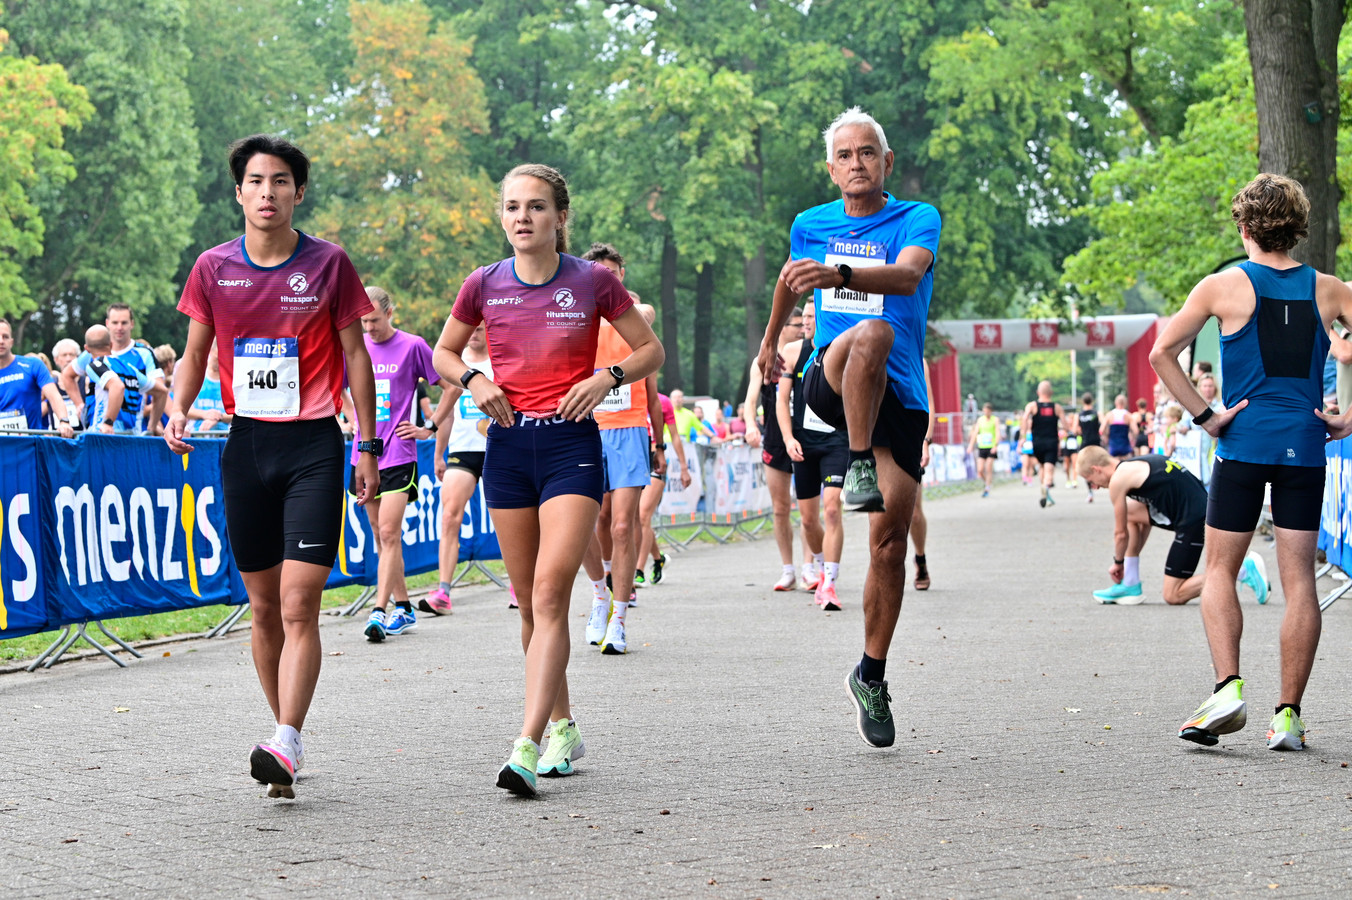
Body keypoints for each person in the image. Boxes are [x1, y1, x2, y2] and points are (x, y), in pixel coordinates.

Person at [432, 163, 662, 796]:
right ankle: (563, 725)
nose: (522, 217)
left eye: (535, 206)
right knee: (531, 605)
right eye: (512, 207)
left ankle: (525, 746)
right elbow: (443, 352)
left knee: (551, 591)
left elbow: (651, 351)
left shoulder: (591, 281)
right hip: (508, 446)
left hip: (570, 446)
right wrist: (475, 380)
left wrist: (607, 378)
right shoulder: (483, 283)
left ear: (560, 217)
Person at [164, 134, 379, 798]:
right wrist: (177, 407)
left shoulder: (329, 263)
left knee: (298, 602)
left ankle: (286, 736)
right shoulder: (213, 267)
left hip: (313, 444)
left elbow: (356, 356)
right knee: (261, 608)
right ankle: (284, 738)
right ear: (239, 193)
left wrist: (368, 443)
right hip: (246, 446)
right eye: (256, 181)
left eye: (280, 181)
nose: (267, 192)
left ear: (298, 192)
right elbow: (193, 354)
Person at [756, 107, 941, 749]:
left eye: (867, 153)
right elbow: (790, 282)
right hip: (831, 380)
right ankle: (858, 459)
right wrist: (768, 343)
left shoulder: (917, 217)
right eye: (845, 155)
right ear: (831, 168)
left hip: (901, 396)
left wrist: (838, 274)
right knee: (872, 333)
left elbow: (908, 276)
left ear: (886, 163)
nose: (856, 163)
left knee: (889, 544)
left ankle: (871, 674)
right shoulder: (811, 224)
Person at [1150, 172, 1352, 751]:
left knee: (1219, 570)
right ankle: (1288, 717)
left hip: (1241, 444)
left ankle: (1227, 690)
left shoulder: (1221, 287)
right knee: (1300, 582)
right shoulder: (1330, 289)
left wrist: (1206, 416)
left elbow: (1163, 353)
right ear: (1299, 227)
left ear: (1244, 227)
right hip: (1305, 447)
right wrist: (1349, 418)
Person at [576, 242, 663, 655]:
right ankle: (600, 594)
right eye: (595, 273)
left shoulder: (635, 315)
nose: (603, 279)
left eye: (609, 273)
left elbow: (646, 313)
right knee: (589, 521)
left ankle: (620, 620)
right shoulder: (576, 316)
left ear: (621, 276)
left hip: (628, 429)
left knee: (624, 525)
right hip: (586, 425)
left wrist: (659, 443)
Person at [351, 286, 450, 642]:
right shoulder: (356, 347)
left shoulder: (412, 346)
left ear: (390, 313)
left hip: (399, 453)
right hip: (364, 455)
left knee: (390, 533)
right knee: (380, 535)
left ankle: (379, 611)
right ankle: (404, 607)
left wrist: (430, 428)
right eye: (363, 322)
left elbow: (451, 386)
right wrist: (351, 418)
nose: (369, 328)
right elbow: (339, 390)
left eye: (374, 320)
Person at [1078, 445, 1266, 607]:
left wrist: (1118, 563)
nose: (1095, 487)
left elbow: (1120, 534)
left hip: (1195, 521)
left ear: (1097, 470)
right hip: (1199, 508)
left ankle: (1242, 570)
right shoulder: (1132, 465)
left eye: (1091, 481)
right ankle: (1130, 583)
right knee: (1131, 513)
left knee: (1173, 594)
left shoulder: (1118, 480)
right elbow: (1142, 523)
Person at [778, 300, 848, 610]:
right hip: (803, 444)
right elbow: (781, 400)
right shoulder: (793, 351)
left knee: (831, 509)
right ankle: (821, 566)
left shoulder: (840, 347)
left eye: (811, 316)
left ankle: (829, 582)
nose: (805, 321)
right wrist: (788, 438)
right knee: (808, 521)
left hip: (837, 441)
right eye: (804, 316)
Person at [422, 322, 492, 615]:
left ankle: (521, 587)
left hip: (497, 449)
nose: (473, 334)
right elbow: (447, 413)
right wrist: (439, 454)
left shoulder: (499, 361)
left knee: (510, 521)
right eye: (470, 329)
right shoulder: (455, 363)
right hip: (462, 451)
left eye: (479, 329)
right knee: (450, 516)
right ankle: (443, 592)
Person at [742, 308, 806, 591]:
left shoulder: (809, 353)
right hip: (775, 440)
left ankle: (811, 567)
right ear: (782, 327)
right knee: (780, 509)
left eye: (805, 324)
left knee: (808, 511)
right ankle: (788, 569)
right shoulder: (765, 360)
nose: (802, 329)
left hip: (805, 437)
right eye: (797, 325)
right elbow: (750, 401)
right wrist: (750, 426)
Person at [637, 383, 692, 587]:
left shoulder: (663, 401)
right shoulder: (628, 397)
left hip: (656, 461)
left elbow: (675, 435)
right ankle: (658, 559)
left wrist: (684, 468)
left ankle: (638, 571)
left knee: (643, 516)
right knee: (638, 520)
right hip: (635, 459)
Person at [60, 325, 152, 435]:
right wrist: (152, 426)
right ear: (111, 344)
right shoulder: (130, 368)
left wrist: (108, 422)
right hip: (130, 435)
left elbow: (117, 386)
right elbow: (161, 391)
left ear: (87, 349)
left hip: (102, 434)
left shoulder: (95, 365)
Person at [0, 318, 74, 437]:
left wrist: (64, 421)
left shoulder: (32, 365)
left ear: (11, 341)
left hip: (30, 444)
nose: (1, 341)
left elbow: (54, 396)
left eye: (5, 337)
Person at [1021, 381, 1063, 508]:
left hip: (1037, 443)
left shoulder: (1032, 406)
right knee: (1049, 469)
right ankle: (1046, 485)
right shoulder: (1056, 407)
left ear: (1038, 392)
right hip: (1052, 442)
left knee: (1041, 466)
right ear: (1051, 393)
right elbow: (1065, 424)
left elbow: (1024, 418)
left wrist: (1023, 437)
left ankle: (1044, 487)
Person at [186, 342, 231, 433]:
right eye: (217, 358)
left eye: (224, 358)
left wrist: (218, 417)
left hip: (224, 434)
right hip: (197, 433)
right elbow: (183, 409)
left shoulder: (231, 379)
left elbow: (240, 413)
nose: (220, 361)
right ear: (210, 351)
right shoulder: (196, 375)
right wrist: (205, 414)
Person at [966, 402, 999, 497]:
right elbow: (975, 433)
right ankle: (987, 483)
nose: (986, 413)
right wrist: (970, 445)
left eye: (987, 411)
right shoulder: (980, 420)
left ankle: (987, 488)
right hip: (982, 447)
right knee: (980, 470)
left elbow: (997, 433)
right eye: (984, 411)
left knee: (988, 468)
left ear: (991, 411)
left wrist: (995, 445)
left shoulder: (995, 420)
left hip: (991, 447)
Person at [1077, 393, 1101, 501]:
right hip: (1095, 442)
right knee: (1097, 464)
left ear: (1083, 402)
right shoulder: (1097, 413)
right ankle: (1098, 483)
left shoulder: (1079, 415)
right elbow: (1102, 427)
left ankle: (1090, 491)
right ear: (1092, 401)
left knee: (1086, 466)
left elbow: (1076, 430)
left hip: (1085, 442)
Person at [1102, 394, 1135, 460]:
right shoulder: (1128, 415)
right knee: (1126, 462)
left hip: (1113, 445)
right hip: (1125, 444)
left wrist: (1106, 437)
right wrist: (1132, 440)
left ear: (1115, 402)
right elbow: (1136, 430)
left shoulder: (1109, 415)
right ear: (1125, 403)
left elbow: (1101, 430)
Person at [1061, 408, 1080, 488]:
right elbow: (1062, 435)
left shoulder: (1076, 427)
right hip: (1066, 447)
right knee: (1067, 465)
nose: (1070, 421)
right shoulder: (1066, 428)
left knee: (1075, 464)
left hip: (1074, 447)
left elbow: (1079, 432)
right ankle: (1068, 479)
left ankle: (1075, 480)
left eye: (1071, 419)